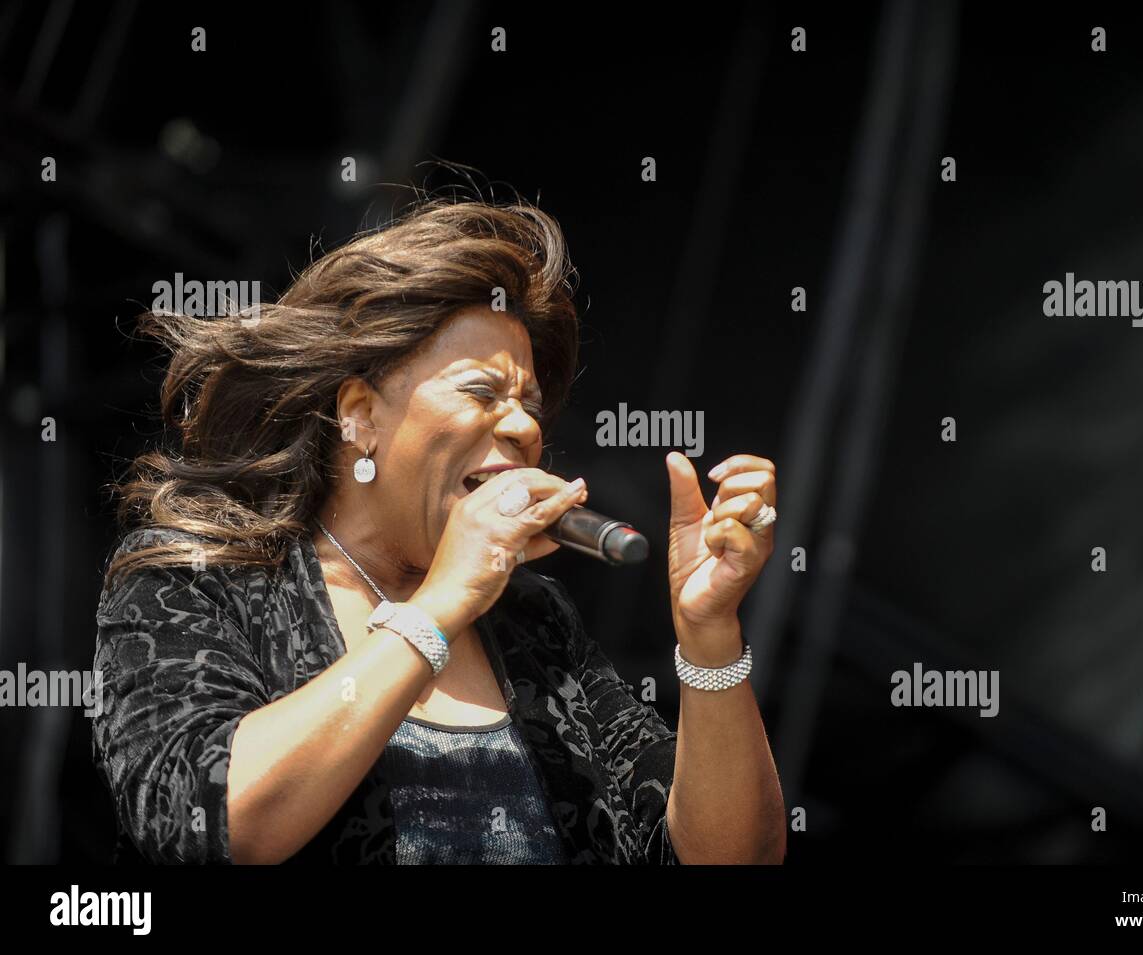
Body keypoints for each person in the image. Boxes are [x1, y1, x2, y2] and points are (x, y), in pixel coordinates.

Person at [91, 195, 786, 864]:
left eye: (530, 407)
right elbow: (212, 820)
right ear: (361, 414)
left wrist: (710, 632)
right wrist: (441, 605)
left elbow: (729, 855)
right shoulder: (199, 578)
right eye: (482, 393)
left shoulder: (535, 625)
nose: (522, 427)